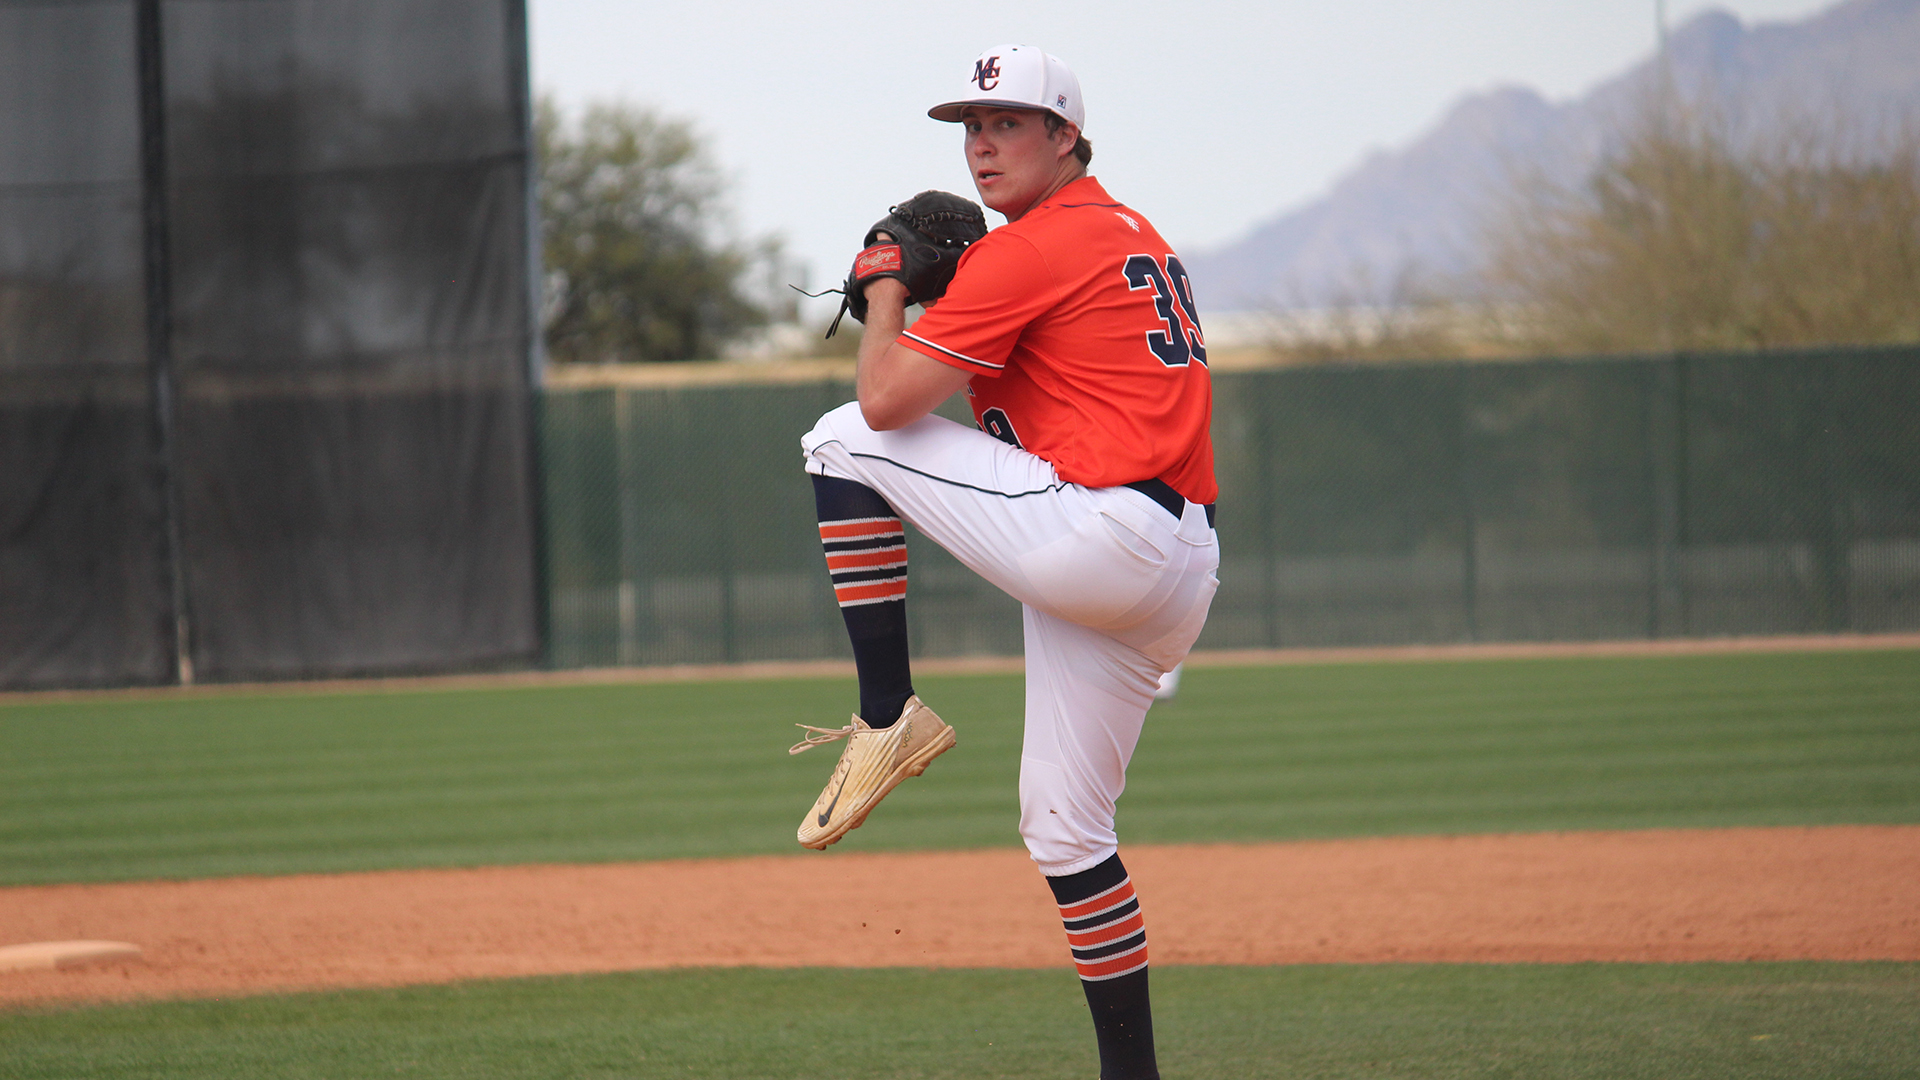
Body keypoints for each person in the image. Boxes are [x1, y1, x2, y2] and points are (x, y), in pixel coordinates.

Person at [792, 43, 1218, 1080]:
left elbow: (889, 401)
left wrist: (889, 285)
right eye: (971, 128)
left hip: (1105, 535)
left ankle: (888, 715)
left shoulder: (1030, 248)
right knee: (1067, 831)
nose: (983, 146)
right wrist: (945, 290)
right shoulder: (1127, 233)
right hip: (1176, 566)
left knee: (840, 437)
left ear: (1066, 136)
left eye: (1009, 124)